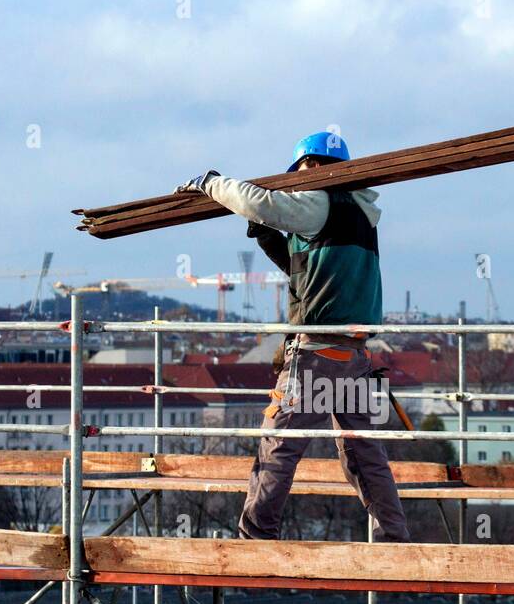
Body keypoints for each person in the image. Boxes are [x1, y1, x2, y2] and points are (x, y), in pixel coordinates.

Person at [175, 131, 410, 542]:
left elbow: (261, 201)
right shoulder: (359, 215)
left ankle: (256, 539)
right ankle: (393, 537)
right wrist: (266, 234)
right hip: (354, 358)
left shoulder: (320, 200)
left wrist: (211, 183)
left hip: (317, 354)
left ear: (314, 167)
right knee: (364, 454)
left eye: (301, 170)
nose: (298, 181)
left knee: (279, 444)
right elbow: (307, 271)